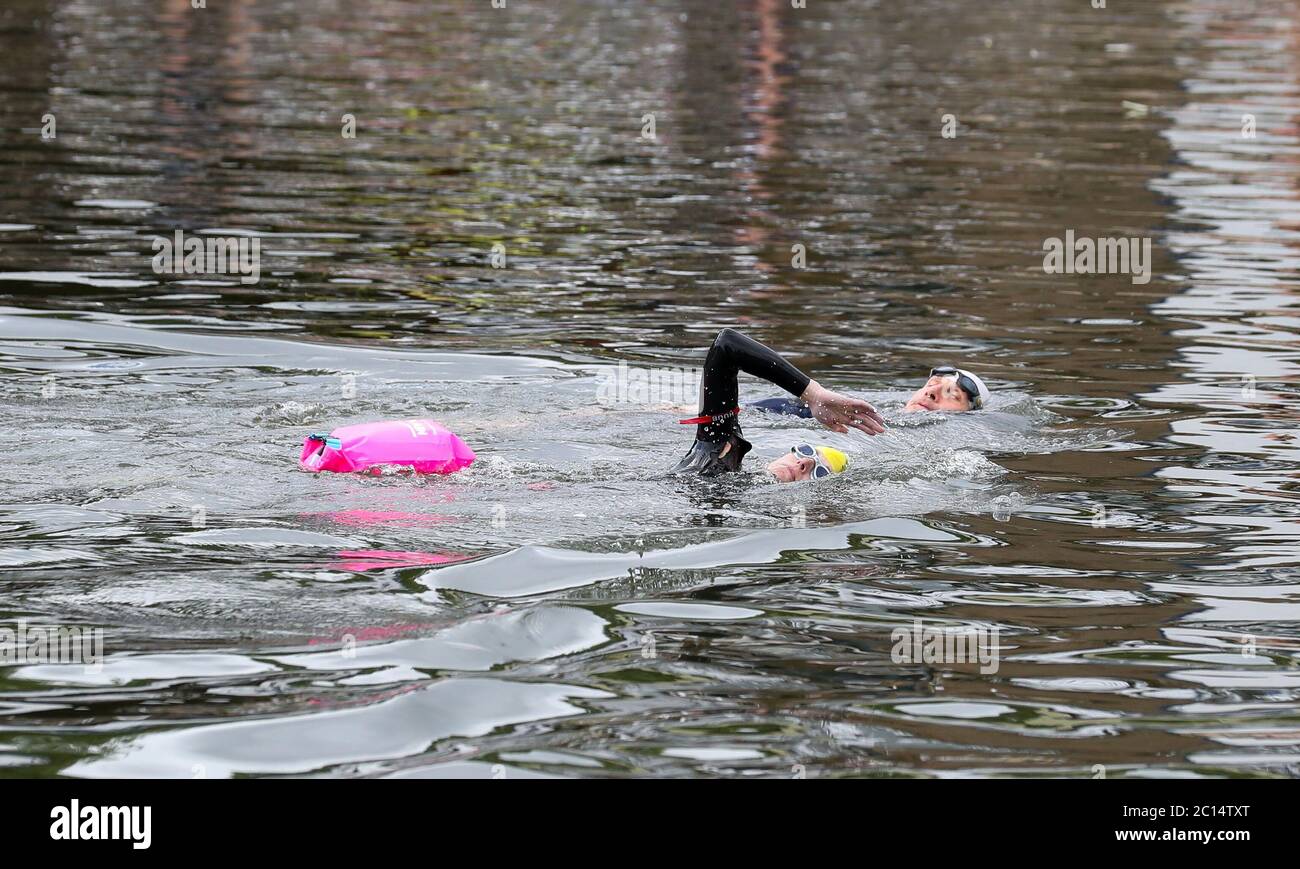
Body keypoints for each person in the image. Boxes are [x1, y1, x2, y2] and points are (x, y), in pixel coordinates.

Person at [671, 329, 885, 481]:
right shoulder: (719, 454)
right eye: (805, 451)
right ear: (786, 453)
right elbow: (726, 346)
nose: (805, 464)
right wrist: (814, 394)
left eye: (820, 472)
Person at [751, 365, 991, 416]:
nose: (931, 393)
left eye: (952, 395)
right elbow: (768, 409)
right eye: (931, 386)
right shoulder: (862, 411)